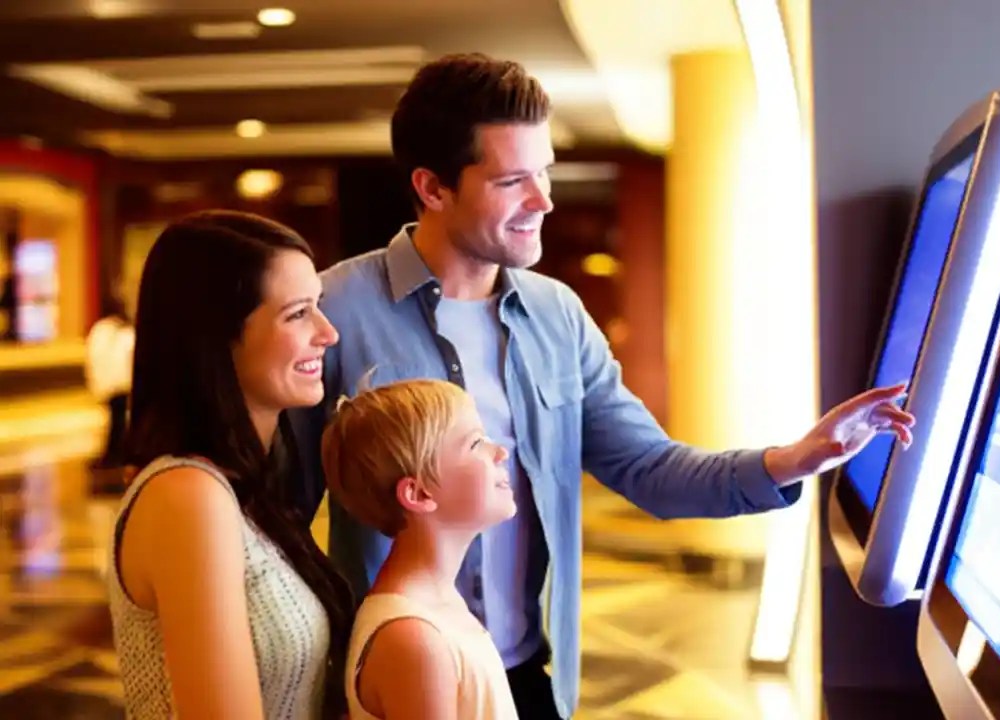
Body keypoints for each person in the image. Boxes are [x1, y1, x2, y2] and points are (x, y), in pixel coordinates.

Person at [290, 53, 915, 719]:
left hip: (532, 677)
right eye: (512, 181)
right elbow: (279, 514)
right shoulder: (333, 311)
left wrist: (790, 460)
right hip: (396, 679)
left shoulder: (558, 317)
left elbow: (646, 465)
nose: (544, 200)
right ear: (433, 188)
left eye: (545, 172)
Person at [107, 210, 353, 719]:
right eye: (297, 314)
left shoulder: (246, 485)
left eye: (319, 307)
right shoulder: (187, 495)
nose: (327, 333)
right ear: (217, 339)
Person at [322, 379, 519, 720]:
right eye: (475, 444)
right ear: (419, 494)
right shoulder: (413, 638)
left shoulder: (437, 605)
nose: (500, 451)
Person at [85, 290, 134, 474]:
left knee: (117, 422)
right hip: (120, 384)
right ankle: (115, 453)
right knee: (117, 421)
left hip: (114, 384)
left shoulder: (104, 330)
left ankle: (114, 454)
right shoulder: (120, 331)